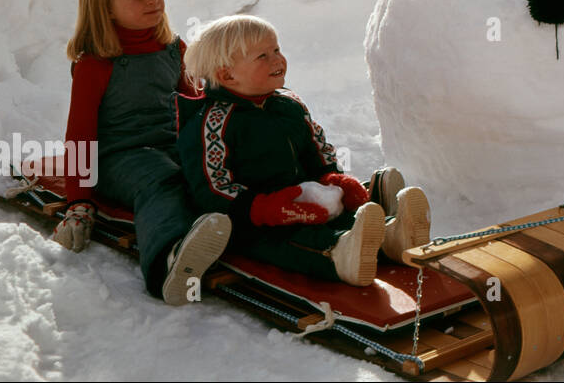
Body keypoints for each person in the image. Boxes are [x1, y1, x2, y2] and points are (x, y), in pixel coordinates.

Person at [178, 15, 431, 287]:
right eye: (263, 56)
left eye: (277, 49)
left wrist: (332, 180)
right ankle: (337, 254)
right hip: (254, 220)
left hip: (305, 202)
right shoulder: (212, 123)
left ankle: (391, 236)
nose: (277, 59)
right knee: (289, 240)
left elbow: (318, 150)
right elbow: (212, 188)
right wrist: (267, 208)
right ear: (227, 74)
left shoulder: (289, 103)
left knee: (345, 219)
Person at [57, 0, 231, 306]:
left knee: (209, 174)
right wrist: (78, 202)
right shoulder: (96, 64)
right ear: (105, 6)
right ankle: (166, 263)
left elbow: (195, 105)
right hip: (118, 159)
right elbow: (79, 136)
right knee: (163, 180)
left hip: (168, 147)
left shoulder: (172, 48)